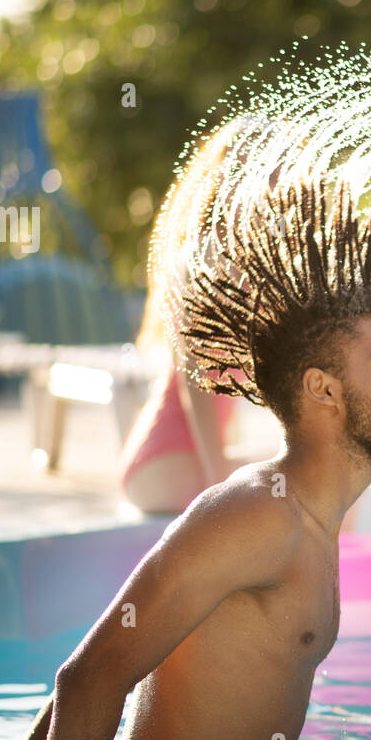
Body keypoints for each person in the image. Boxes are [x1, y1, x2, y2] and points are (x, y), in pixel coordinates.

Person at [22, 168, 371, 740]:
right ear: (322, 389)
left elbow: (96, 668)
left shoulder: (312, 521)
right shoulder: (259, 514)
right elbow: (87, 680)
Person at [118, 121, 253, 514]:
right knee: (315, 477)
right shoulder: (198, 263)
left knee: (329, 468)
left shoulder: (253, 265)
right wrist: (219, 481)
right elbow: (194, 385)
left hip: (188, 460)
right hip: (160, 465)